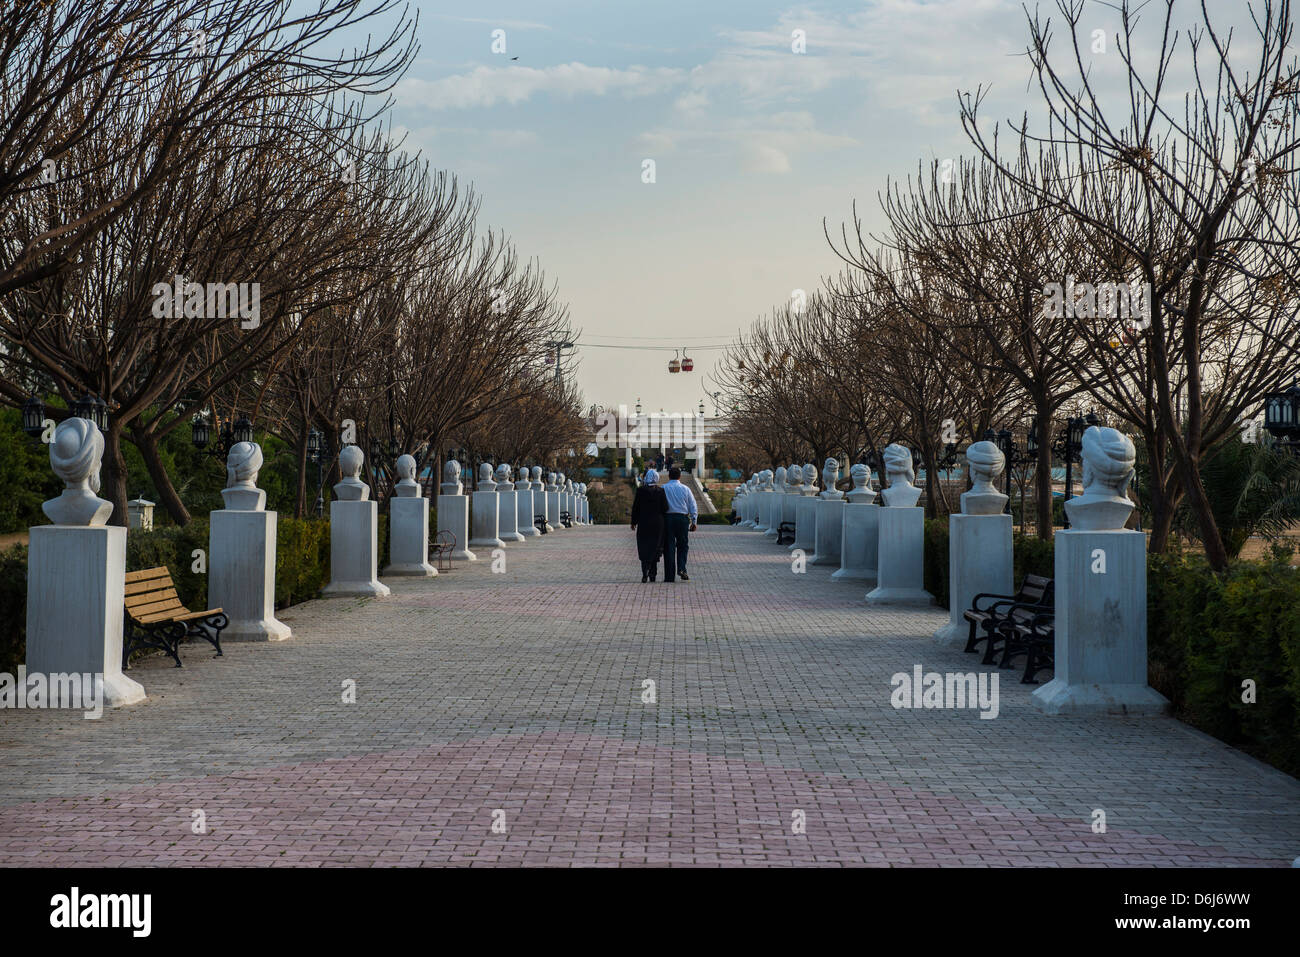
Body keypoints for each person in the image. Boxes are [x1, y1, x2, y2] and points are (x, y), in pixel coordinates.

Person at [630, 468, 668, 582]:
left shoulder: (640, 491)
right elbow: (665, 508)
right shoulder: (660, 491)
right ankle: (653, 574)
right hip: (658, 524)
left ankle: (644, 571)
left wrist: (633, 522)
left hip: (644, 522)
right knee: (655, 548)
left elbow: (636, 508)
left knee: (644, 546)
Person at [661, 466, 697, 582]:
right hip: (682, 519)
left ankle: (669, 576)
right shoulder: (685, 489)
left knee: (669, 547)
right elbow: (692, 505)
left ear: (669, 476)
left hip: (668, 519)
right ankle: (682, 568)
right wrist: (694, 520)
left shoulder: (663, 488)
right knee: (682, 545)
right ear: (680, 476)